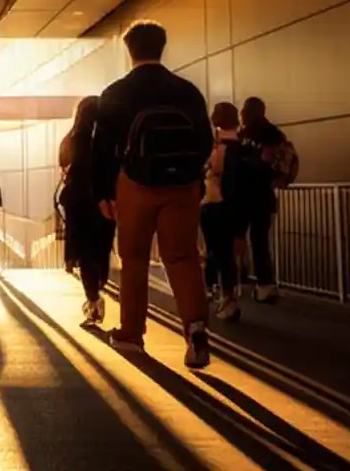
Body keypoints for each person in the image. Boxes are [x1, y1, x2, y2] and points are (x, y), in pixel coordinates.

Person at [93, 21, 214, 368]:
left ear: (129, 50)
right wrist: (190, 174)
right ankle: (195, 328)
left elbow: (102, 147)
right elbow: (204, 140)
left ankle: (132, 332)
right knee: (182, 257)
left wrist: (103, 191)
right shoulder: (186, 91)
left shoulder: (116, 92)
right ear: (162, 47)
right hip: (182, 187)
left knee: (134, 257)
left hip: (135, 184)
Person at [61, 96, 115, 328]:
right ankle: (99, 286)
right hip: (104, 203)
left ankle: (93, 300)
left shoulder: (71, 139)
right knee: (101, 249)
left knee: (84, 255)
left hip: (79, 204)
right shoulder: (108, 139)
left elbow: (64, 167)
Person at [201, 102, 257, 323]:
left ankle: (220, 294)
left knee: (215, 250)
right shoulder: (245, 148)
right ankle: (227, 296)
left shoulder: (210, 147)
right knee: (227, 253)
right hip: (235, 205)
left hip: (210, 204)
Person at [238, 97, 288, 303]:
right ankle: (265, 284)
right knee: (260, 241)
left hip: (241, 195)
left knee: (237, 238)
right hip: (265, 196)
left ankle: (234, 283)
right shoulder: (276, 134)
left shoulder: (241, 135)